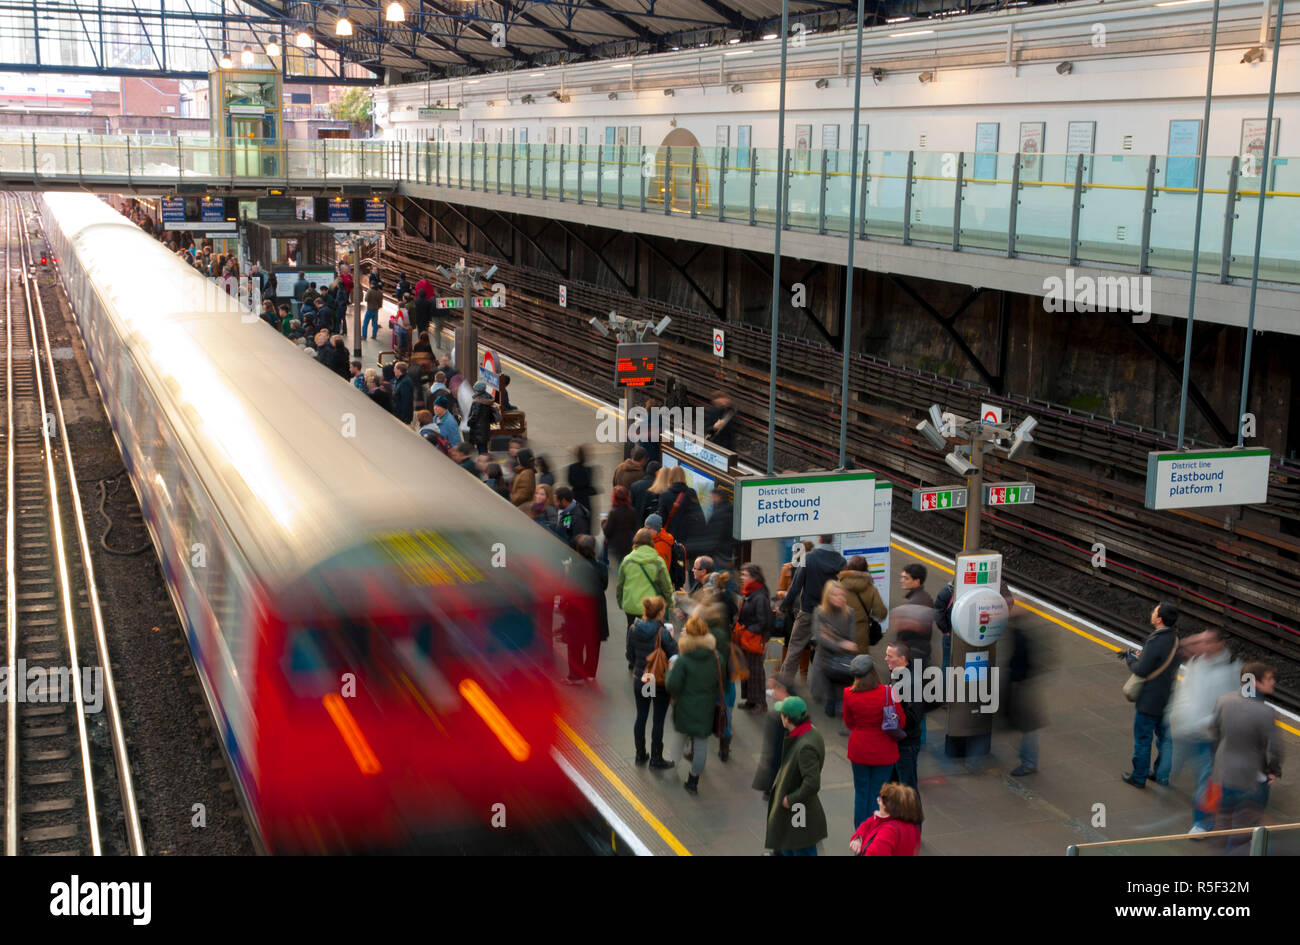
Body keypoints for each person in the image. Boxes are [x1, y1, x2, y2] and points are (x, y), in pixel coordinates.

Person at [1168, 629, 1242, 832]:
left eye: (1208, 642)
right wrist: (1176, 716)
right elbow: (1184, 692)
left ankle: (1203, 822)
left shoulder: (1231, 671)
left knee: (1206, 780)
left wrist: (1206, 724)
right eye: (1200, 641)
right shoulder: (1195, 664)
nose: (1202, 646)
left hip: (1210, 736)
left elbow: (1233, 706)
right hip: (1185, 730)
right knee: (1179, 770)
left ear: (1221, 644)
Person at [1210, 661, 1282, 851]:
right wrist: (1273, 771)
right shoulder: (1266, 712)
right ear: (1256, 683)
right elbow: (1275, 749)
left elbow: (1214, 733)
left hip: (1224, 773)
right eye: (1269, 678)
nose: (1273, 682)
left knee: (1224, 819)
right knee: (1243, 830)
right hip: (1250, 780)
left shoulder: (1223, 700)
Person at [1121, 602, 1182, 789]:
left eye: (1154, 611)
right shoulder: (1175, 639)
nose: (1152, 612)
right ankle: (1162, 776)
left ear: (1159, 619)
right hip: (1166, 697)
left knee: (1143, 739)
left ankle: (1139, 777)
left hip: (1149, 700)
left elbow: (1142, 670)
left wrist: (1131, 659)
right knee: (1165, 738)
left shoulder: (1155, 640)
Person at [842, 654, 904, 830]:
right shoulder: (888, 692)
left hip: (859, 750)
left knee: (861, 792)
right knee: (879, 793)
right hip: (884, 751)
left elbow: (849, 722)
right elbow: (901, 720)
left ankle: (860, 833)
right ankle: (875, 832)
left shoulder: (848, 693)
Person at [778, 535, 846, 688]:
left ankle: (784, 687)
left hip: (808, 611)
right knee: (827, 651)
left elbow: (796, 586)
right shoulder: (840, 561)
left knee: (794, 650)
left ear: (819, 540)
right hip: (830, 613)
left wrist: (783, 607)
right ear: (832, 540)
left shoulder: (809, 559)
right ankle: (825, 689)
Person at [665, 614, 723, 795]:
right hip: (705, 708)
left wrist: (669, 673)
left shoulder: (683, 660)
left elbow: (672, 685)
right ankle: (693, 781)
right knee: (700, 745)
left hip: (684, 707)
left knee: (679, 740)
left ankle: (671, 772)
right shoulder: (716, 658)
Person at [765, 695, 828, 855]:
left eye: (782, 713)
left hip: (798, 809)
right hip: (797, 808)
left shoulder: (805, 746)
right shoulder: (809, 731)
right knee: (790, 846)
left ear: (787, 719)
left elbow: (812, 783)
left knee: (799, 847)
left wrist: (790, 799)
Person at [628, 596, 677, 768]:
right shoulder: (662, 632)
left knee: (641, 716)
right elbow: (674, 653)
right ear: (660, 612)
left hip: (642, 678)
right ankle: (656, 758)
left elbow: (630, 655)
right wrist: (671, 637)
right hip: (658, 680)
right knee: (658, 719)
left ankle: (640, 753)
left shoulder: (634, 628)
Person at [810, 580, 858, 727]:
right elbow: (820, 638)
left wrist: (831, 637)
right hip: (825, 661)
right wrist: (841, 643)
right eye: (835, 595)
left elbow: (852, 639)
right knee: (827, 697)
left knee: (841, 693)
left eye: (842, 595)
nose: (840, 598)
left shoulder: (849, 612)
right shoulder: (820, 612)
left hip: (842, 662)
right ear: (828, 596)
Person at [561, 534, 606, 684]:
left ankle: (575, 675)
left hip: (578, 610)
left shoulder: (575, 568)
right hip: (597, 609)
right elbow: (604, 585)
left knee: (575, 644)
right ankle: (590, 673)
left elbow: (568, 588)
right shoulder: (601, 567)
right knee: (593, 643)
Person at [616, 528, 673, 642]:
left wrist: (621, 602)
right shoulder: (658, 561)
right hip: (651, 607)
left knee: (632, 630)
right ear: (651, 542)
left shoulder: (627, 560)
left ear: (635, 541)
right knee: (652, 635)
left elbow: (620, 585)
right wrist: (670, 604)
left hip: (631, 605)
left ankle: (631, 656)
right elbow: (666, 586)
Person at [884, 642, 926, 794]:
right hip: (898, 742)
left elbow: (915, 716)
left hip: (906, 744)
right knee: (892, 789)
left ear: (902, 659)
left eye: (890, 656)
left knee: (908, 791)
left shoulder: (911, 683)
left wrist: (892, 717)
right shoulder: (899, 675)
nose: (885, 659)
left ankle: (913, 817)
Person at [736, 562, 774, 713]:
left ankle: (760, 703)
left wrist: (748, 631)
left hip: (754, 639)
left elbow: (763, 621)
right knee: (747, 670)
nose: (742, 577)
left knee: (756, 671)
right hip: (747, 639)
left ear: (753, 577)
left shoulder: (759, 596)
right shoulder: (751, 593)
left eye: (744, 575)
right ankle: (750, 700)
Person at [849, 782, 923, 856]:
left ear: (888, 807)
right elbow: (869, 823)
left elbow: (874, 853)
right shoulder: (912, 828)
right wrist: (859, 837)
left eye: (880, 800)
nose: (878, 801)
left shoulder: (889, 832)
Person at [839, 556, 887, 654]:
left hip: (840, 631)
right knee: (859, 665)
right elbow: (881, 613)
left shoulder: (837, 585)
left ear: (848, 567)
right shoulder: (871, 589)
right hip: (860, 634)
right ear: (866, 569)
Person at [656, 466, 706, 555]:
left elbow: (661, 520)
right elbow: (700, 516)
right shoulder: (691, 493)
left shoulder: (665, 495)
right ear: (683, 477)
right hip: (690, 540)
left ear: (670, 477)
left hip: (672, 539)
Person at [602, 485, 639, 571]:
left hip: (615, 545)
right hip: (628, 542)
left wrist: (604, 522)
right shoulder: (632, 511)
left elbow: (607, 531)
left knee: (619, 566)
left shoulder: (613, 512)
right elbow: (634, 527)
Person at [702, 486, 735, 572]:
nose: (711, 499)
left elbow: (714, 535)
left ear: (718, 497)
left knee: (721, 575)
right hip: (727, 551)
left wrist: (709, 552)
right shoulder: (730, 509)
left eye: (713, 497)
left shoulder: (719, 513)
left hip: (719, 553)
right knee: (725, 575)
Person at [566, 446, 599, 521]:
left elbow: (569, 482)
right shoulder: (589, 469)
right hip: (586, 498)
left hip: (575, 496)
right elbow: (590, 482)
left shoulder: (571, 468)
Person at [466, 381, 499, 455]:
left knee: (481, 448)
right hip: (485, 426)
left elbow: (475, 415)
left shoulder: (478, 402)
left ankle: (484, 460)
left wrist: (469, 422)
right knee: (483, 446)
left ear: (477, 390)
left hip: (478, 428)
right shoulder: (488, 398)